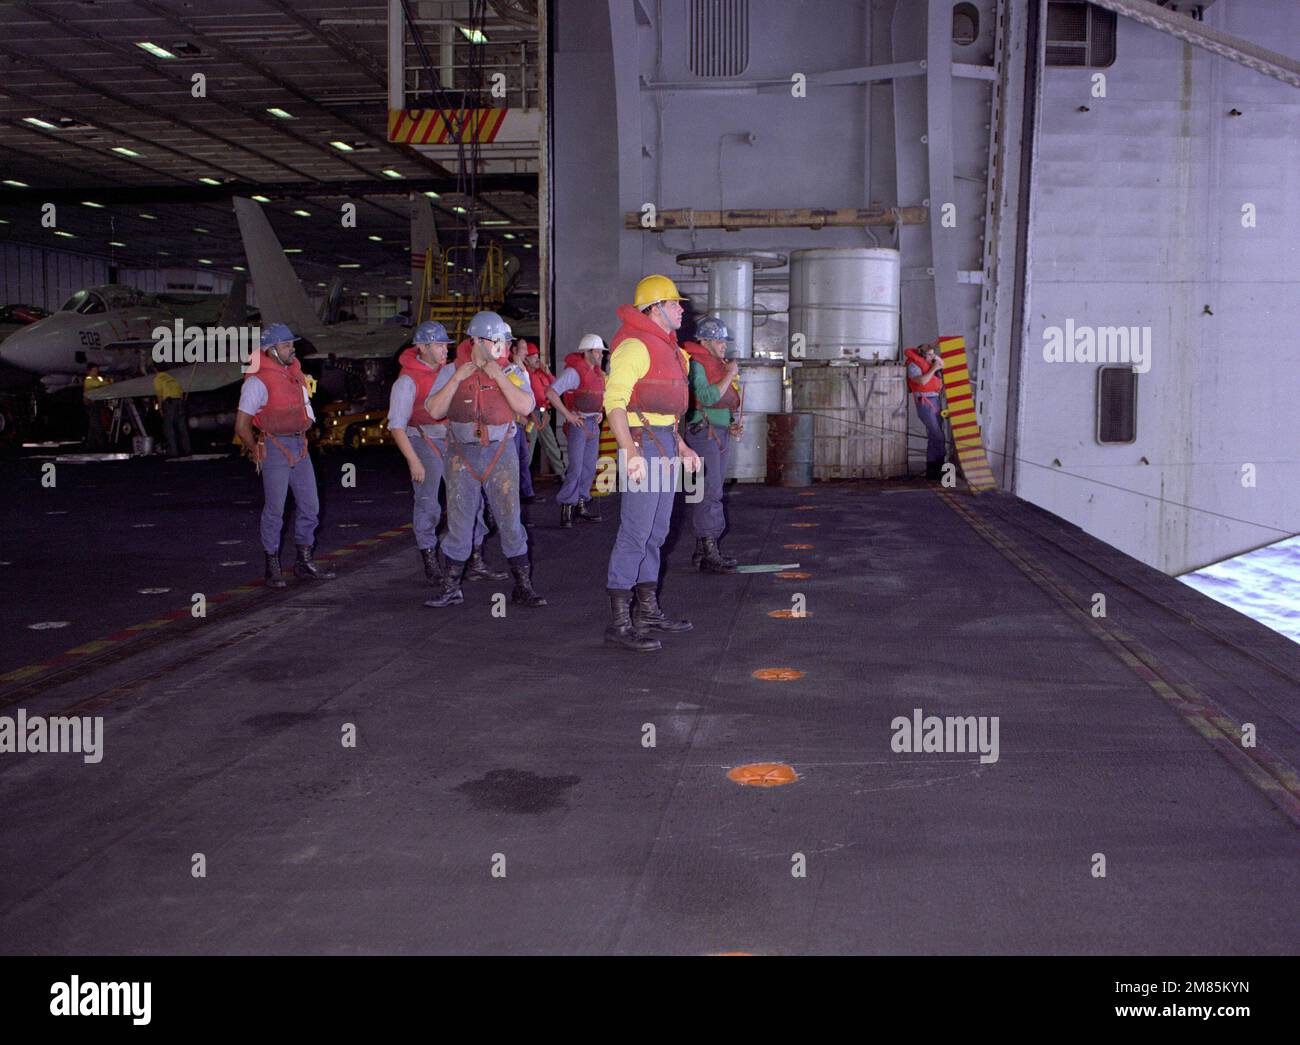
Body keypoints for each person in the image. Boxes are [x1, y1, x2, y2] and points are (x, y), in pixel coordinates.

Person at [603, 275, 701, 652]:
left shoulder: (670, 349)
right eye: (675, 303)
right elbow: (614, 403)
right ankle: (619, 622)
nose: (681, 308)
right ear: (655, 309)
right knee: (635, 532)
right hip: (640, 444)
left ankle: (647, 612)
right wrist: (628, 452)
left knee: (657, 531)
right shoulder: (634, 346)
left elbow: (665, 413)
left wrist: (682, 446)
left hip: (661, 442)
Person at [424, 310, 546, 610]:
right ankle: (451, 587)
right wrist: (457, 378)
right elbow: (434, 409)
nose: (503, 348)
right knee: (460, 522)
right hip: (462, 456)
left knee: (509, 519)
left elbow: (526, 404)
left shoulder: (512, 372)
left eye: (504, 343)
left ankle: (522, 586)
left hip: (499, 454)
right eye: (497, 342)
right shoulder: (451, 369)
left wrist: (498, 376)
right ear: (477, 341)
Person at [386, 320, 495, 586]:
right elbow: (397, 426)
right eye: (438, 346)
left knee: (473, 500)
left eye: (446, 345)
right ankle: (430, 559)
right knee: (429, 503)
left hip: (453, 439)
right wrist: (414, 461)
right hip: (423, 440)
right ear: (422, 347)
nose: (445, 350)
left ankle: (475, 558)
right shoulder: (406, 383)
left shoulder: (450, 371)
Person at [234, 323, 335, 589]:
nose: (292, 349)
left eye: (292, 344)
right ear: (271, 350)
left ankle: (303, 560)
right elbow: (241, 426)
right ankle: (272, 564)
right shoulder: (257, 381)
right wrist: (256, 449)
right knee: (275, 509)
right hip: (274, 448)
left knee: (311, 506)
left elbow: (306, 408)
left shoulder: (294, 374)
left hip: (300, 446)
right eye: (287, 345)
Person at [683, 316, 741, 573]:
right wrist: (729, 374)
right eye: (718, 340)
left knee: (708, 491)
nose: (723, 346)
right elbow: (706, 396)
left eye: (724, 341)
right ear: (704, 341)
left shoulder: (715, 364)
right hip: (703, 434)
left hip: (717, 432)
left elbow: (723, 400)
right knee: (710, 492)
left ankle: (702, 549)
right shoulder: (696, 365)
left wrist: (730, 423)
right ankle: (709, 551)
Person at [547, 333, 607, 527]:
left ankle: (581, 504)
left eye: (601, 352)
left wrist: (600, 412)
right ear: (587, 352)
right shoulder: (574, 372)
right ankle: (567, 506)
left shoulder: (599, 374)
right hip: (578, 424)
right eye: (597, 352)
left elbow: (601, 396)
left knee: (588, 468)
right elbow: (551, 392)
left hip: (592, 424)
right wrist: (569, 415)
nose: (601, 355)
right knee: (576, 468)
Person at [521, 340, 566, 480]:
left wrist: (548, 373)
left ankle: (562, 474)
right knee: (528, 447)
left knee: (551, 444)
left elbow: (557, 388)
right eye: (533, 356)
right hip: (530, 416)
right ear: (526, 359)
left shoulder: (541, 373)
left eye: (537, 356)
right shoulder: (523, 374)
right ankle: (522, 481)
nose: (537, 359)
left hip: (543, 414)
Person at [904, 340, 947, 480]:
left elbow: (941, 367)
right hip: (925, 402)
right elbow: (922, 381)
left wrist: (937, 363)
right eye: (929, 355)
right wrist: (934, 368)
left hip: (935, 400)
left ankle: (932, 471)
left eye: (932, 355)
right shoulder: (913, 365)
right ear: (922, 356)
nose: (931, 358)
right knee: (938, 436)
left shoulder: (930, 363)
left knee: (934, 437)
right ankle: (939, 468)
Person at [509, 339, 538, 503]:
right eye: (523, 349)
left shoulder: (520, 371)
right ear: (513, 350)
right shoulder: (509, 371)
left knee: (523, 458)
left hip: (521, 422)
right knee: (514, 461)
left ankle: (527, 493)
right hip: (513, 422)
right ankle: (515, 497)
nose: (526, 352)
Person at [153, 367, 192, 458]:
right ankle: (187, 449)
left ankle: (173, 451)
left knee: (169, 427)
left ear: (156, 369)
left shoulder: (158, 379)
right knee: (182, 426)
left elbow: (159, 395)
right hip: (179, 401)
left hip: (169, 402)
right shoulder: (173, 378)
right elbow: (181, 392)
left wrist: (160, 408)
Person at [82, 364, 110, 451]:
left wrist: (107, 382)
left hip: (97, 404)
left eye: (96, 370)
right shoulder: (88, 380)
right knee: (97, 424)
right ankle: (102, 444)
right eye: (94, 370)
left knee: (93, 425)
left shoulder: (99, 378)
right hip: (91, 404)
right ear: (89, 371)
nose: (96, 372)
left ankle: (90, 444)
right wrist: (107, 382)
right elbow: (99, 384)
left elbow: (105, 382)